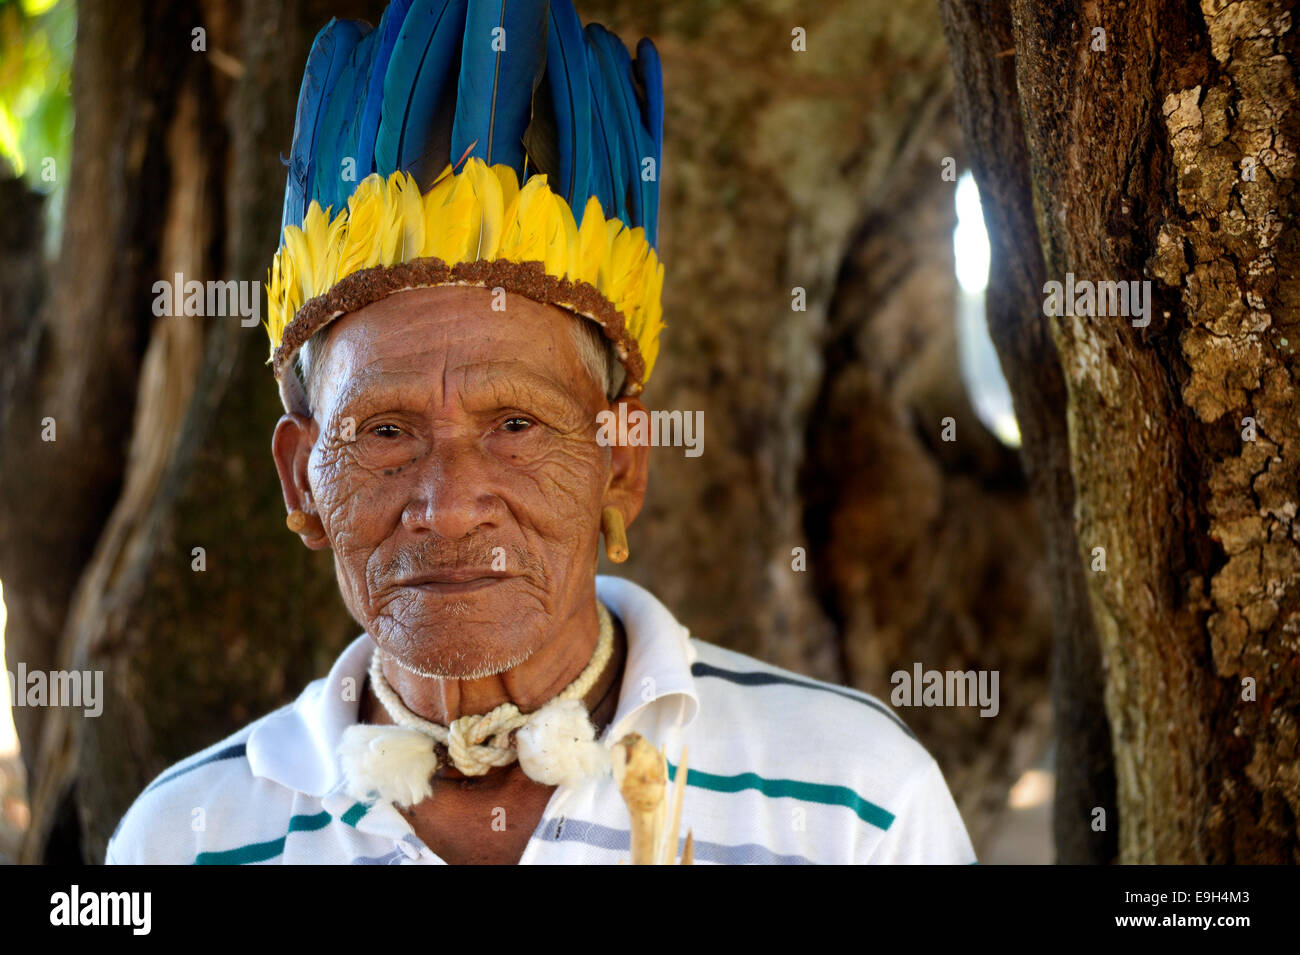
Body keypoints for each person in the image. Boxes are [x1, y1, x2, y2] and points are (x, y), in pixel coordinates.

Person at [107, 0, 975, 865]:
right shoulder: (188, 836)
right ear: (301, 479)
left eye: (515, 425)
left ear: (621, 461)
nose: (447, 509)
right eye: (384, 431)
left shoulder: (856, 802)